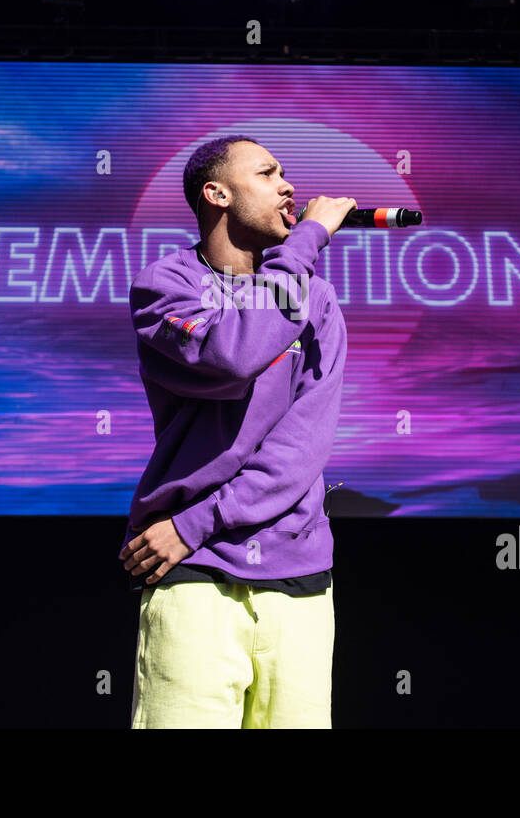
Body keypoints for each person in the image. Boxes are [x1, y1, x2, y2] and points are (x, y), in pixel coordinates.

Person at [119, 135, 355, 728]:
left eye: (286, 174)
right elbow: (233, 355)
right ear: (216, 193)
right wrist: (308, 240)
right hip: (195, 570)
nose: (289, 187)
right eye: (269, 173)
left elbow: (300, 449)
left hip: (293, 569)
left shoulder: (317, 300)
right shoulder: (165, 285)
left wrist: (195, 520)